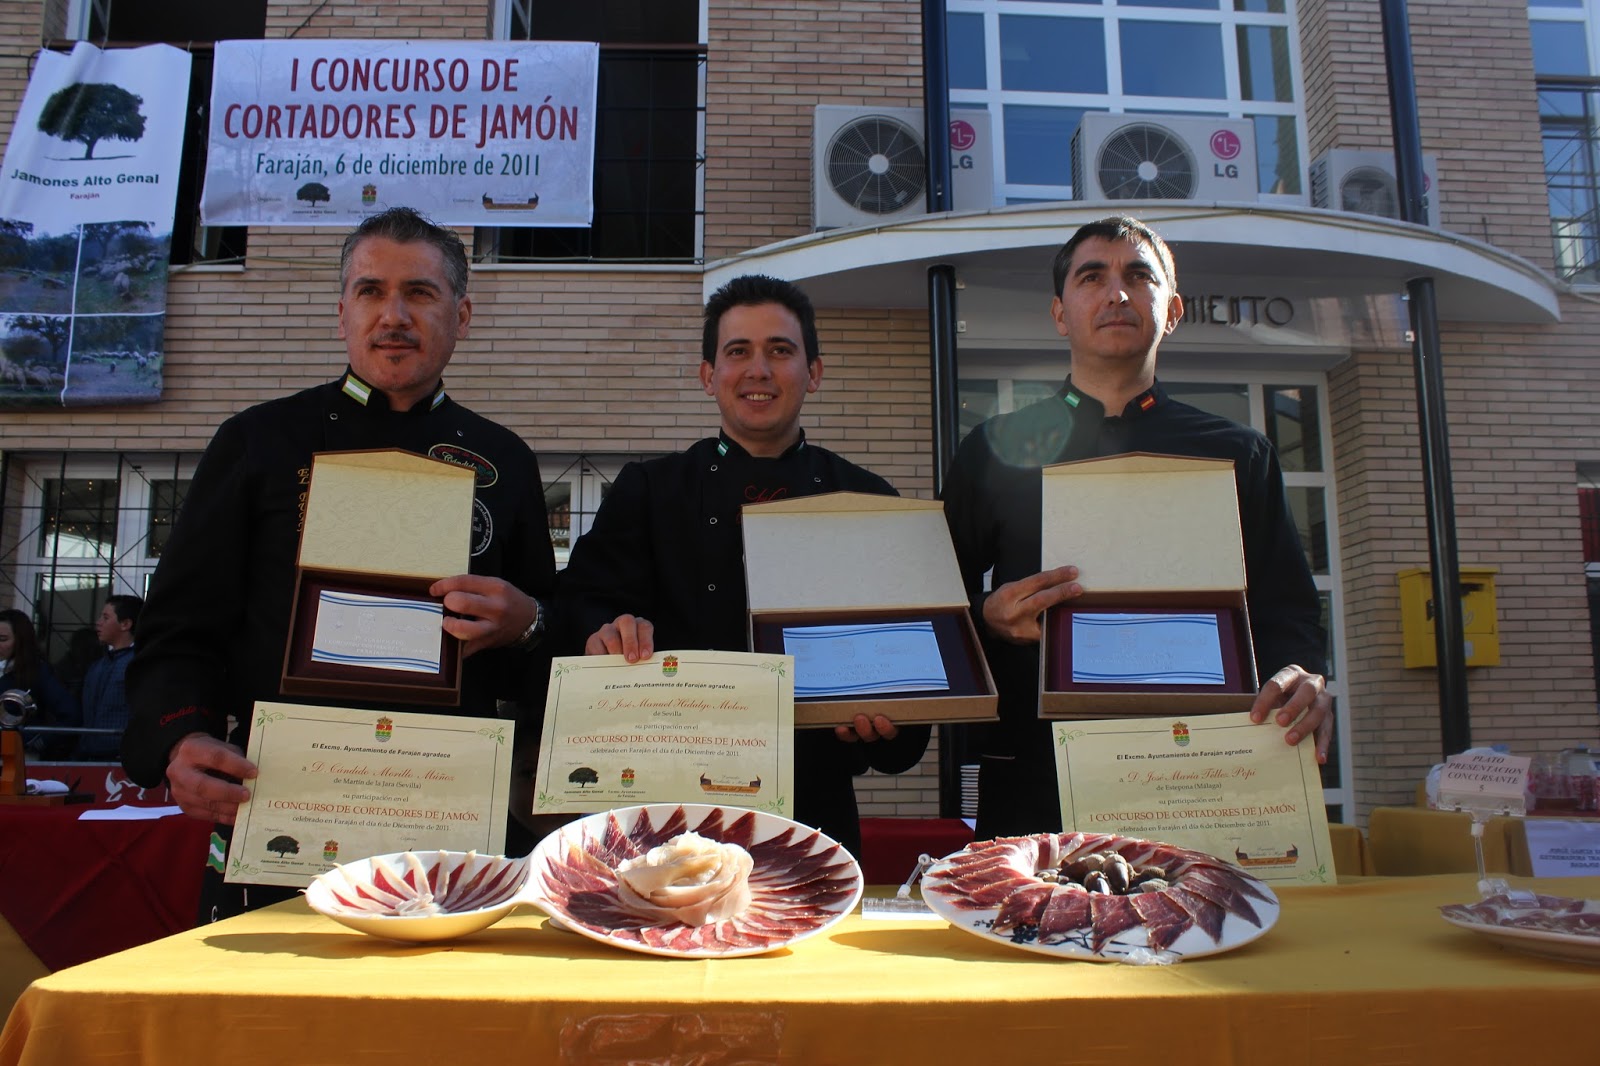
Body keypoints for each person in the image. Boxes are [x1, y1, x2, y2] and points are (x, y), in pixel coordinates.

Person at [123, 206, 557, 920]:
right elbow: (178, 631)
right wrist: (178, 737)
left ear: (463, 314)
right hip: (281, 808)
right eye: (370, 291)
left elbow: (537, 642)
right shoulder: (257, 442)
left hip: (445, 826)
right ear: (341, 313)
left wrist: (530, 623)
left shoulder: (504, 461)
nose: (394, 315)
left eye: (420, 293)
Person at [942, 215, 1333, 838]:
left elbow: (1286, 608)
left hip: (1202, 770)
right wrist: (988, 616)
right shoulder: (995, 447)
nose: (1116, 293)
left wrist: (1302, 671)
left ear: (1172, 309)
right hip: (1039, 773)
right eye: (1091, 276)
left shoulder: (1238, 452)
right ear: (1060, 313)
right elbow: (938, 603)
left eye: (1138, 276)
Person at [557, 274, 930, 856]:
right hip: (662, 811)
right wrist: (604, 632)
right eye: (739, 352)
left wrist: (890, 719)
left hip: (815, 809)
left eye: (780, 351)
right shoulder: (650, 490)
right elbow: (579, 601)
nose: (759, 370)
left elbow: (904, 699)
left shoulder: (868, 499)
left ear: (815, 372)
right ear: (709, 376)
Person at [0, 608, 79, 755]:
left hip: (14, 759)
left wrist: (36, 742)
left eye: (3, 639)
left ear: (20, 641)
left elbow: (70, 715)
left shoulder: (36, 672)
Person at [76, 594, 141, 760]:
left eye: (105, 617)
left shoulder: (139, 664)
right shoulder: (98, 665)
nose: (98, 623)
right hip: (90, 754)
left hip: (123, 758)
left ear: (125, 624)